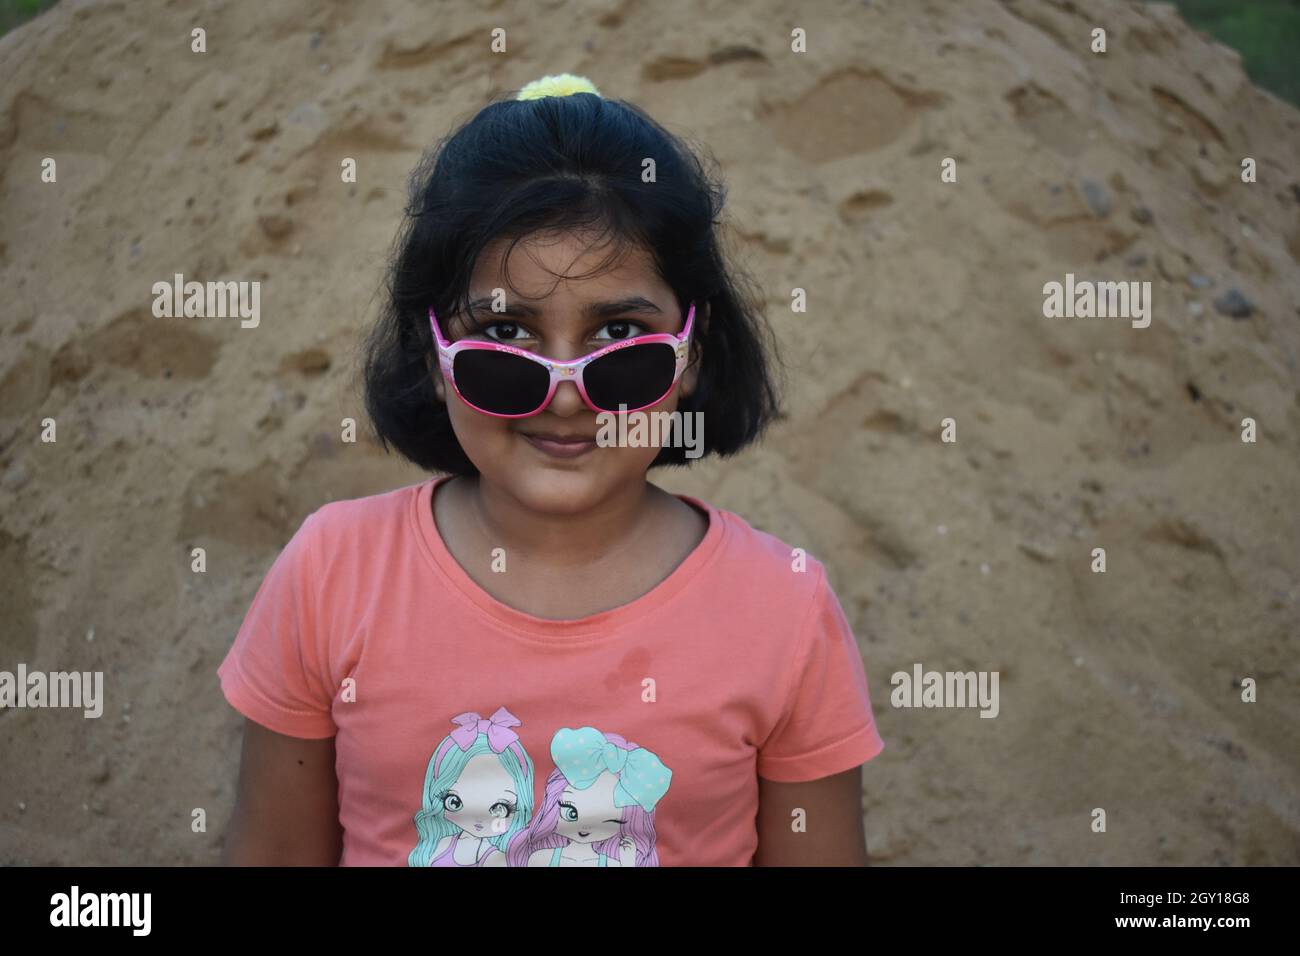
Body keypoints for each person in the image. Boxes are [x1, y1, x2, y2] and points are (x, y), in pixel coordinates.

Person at [218, 73, 884, 866]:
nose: (565, 393)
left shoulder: (786, 608)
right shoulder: (330, 574)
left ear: (694, 353)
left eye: (617, 334)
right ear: (432, 356)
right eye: (506, 329)